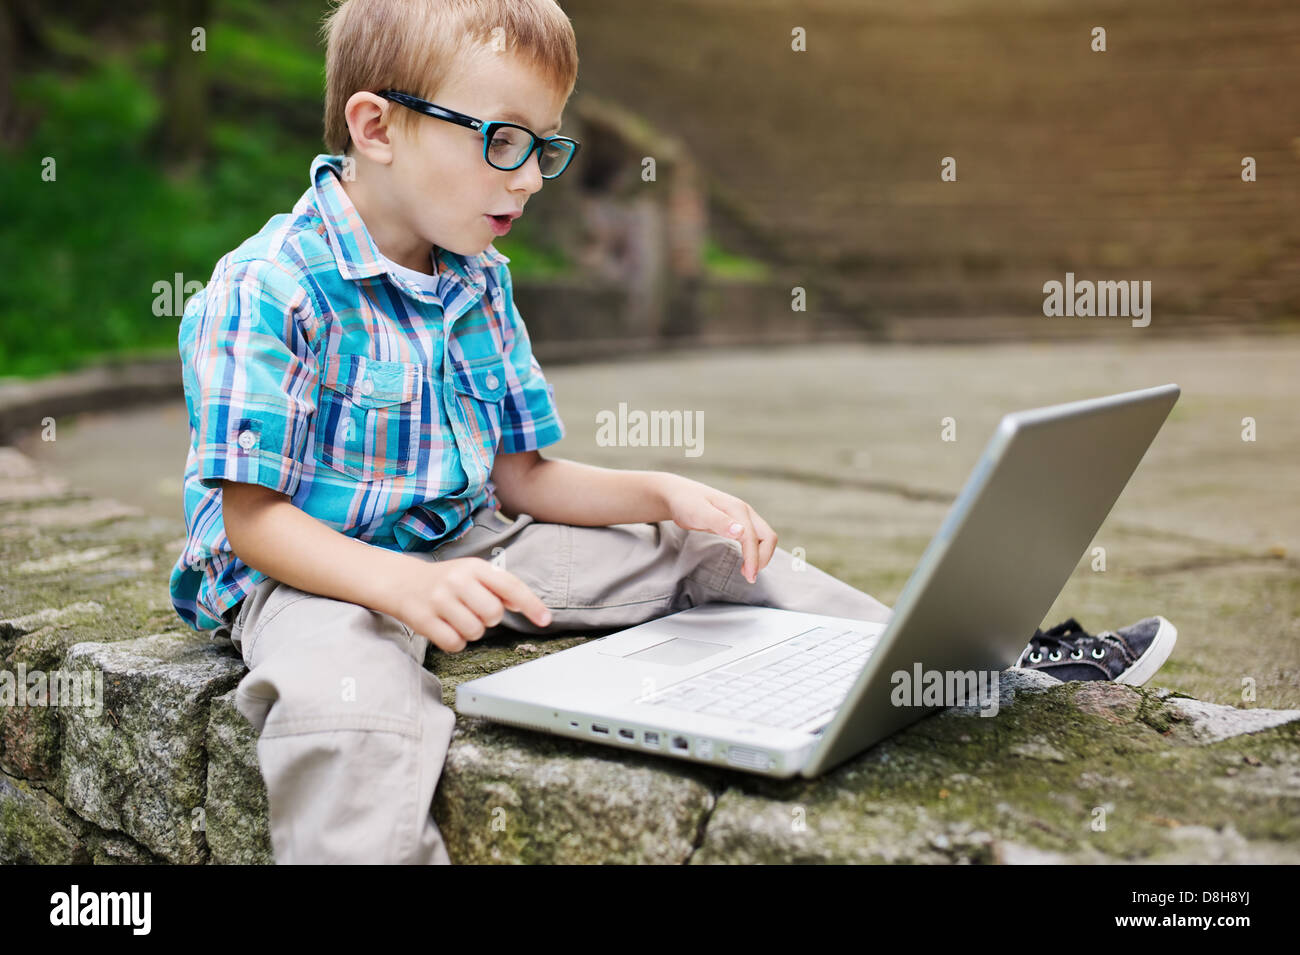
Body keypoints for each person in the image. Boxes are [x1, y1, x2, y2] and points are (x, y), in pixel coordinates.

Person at [167, 0, 1173, 864]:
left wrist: (660, 495)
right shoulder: (268, 290)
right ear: (377, 127)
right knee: (352, 712)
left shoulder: (475, 275)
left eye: (547, 145)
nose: (529, 178)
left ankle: (978, 669)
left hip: (464, 543)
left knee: (710, 552)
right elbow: (254, 521)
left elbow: (521, 475)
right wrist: (401, 585)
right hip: (306, 573)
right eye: (502, 140)